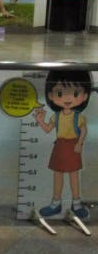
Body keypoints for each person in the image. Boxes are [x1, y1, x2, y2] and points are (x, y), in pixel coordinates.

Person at [34, 70, 91, 220]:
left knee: (74, 175)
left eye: (75, 93)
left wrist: (79, 143)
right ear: (51, 95)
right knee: (57, 175)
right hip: (59, 146)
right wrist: (40, 121)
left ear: (84, 95)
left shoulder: (78, 117)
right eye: (60, 93)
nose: (67, 98)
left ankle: (76, 203)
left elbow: (83, 131)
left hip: (73, 146)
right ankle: (56, 203)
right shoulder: (56, 116)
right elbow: (47, 129)